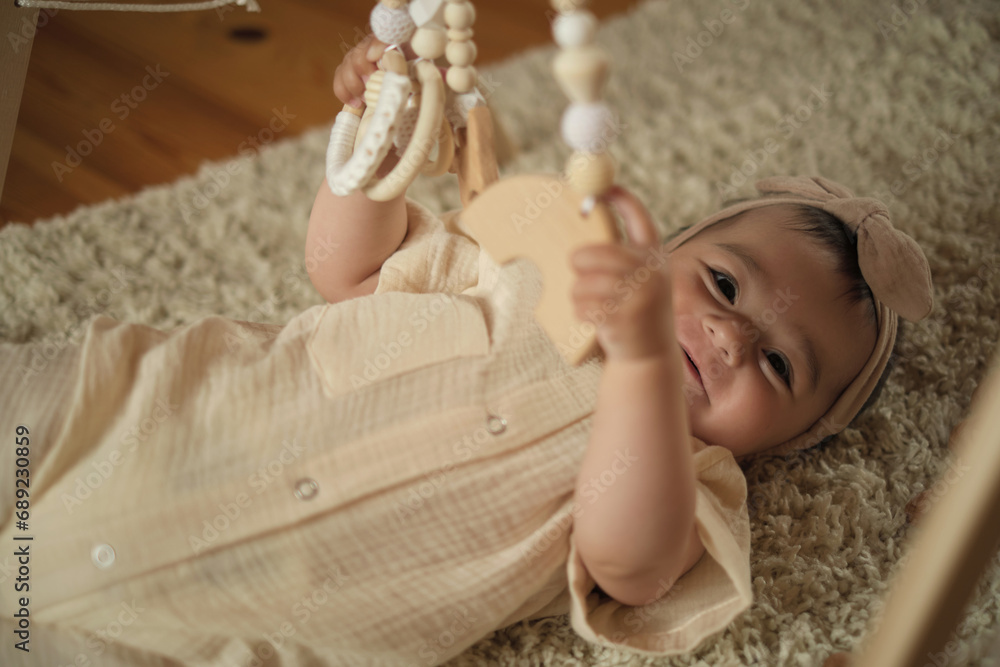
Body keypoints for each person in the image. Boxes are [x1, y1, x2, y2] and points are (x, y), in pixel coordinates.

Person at [0, 36, 932, 667]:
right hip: (131, 411)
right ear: (656, 251)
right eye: (723, 285)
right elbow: (348, 270)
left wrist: (645, 376)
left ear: (789, 442)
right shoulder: (524, 270)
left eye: (779, 366)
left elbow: (628, 567)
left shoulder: (691, 485)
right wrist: (376, 153)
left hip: (215, 632)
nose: (730, 337)